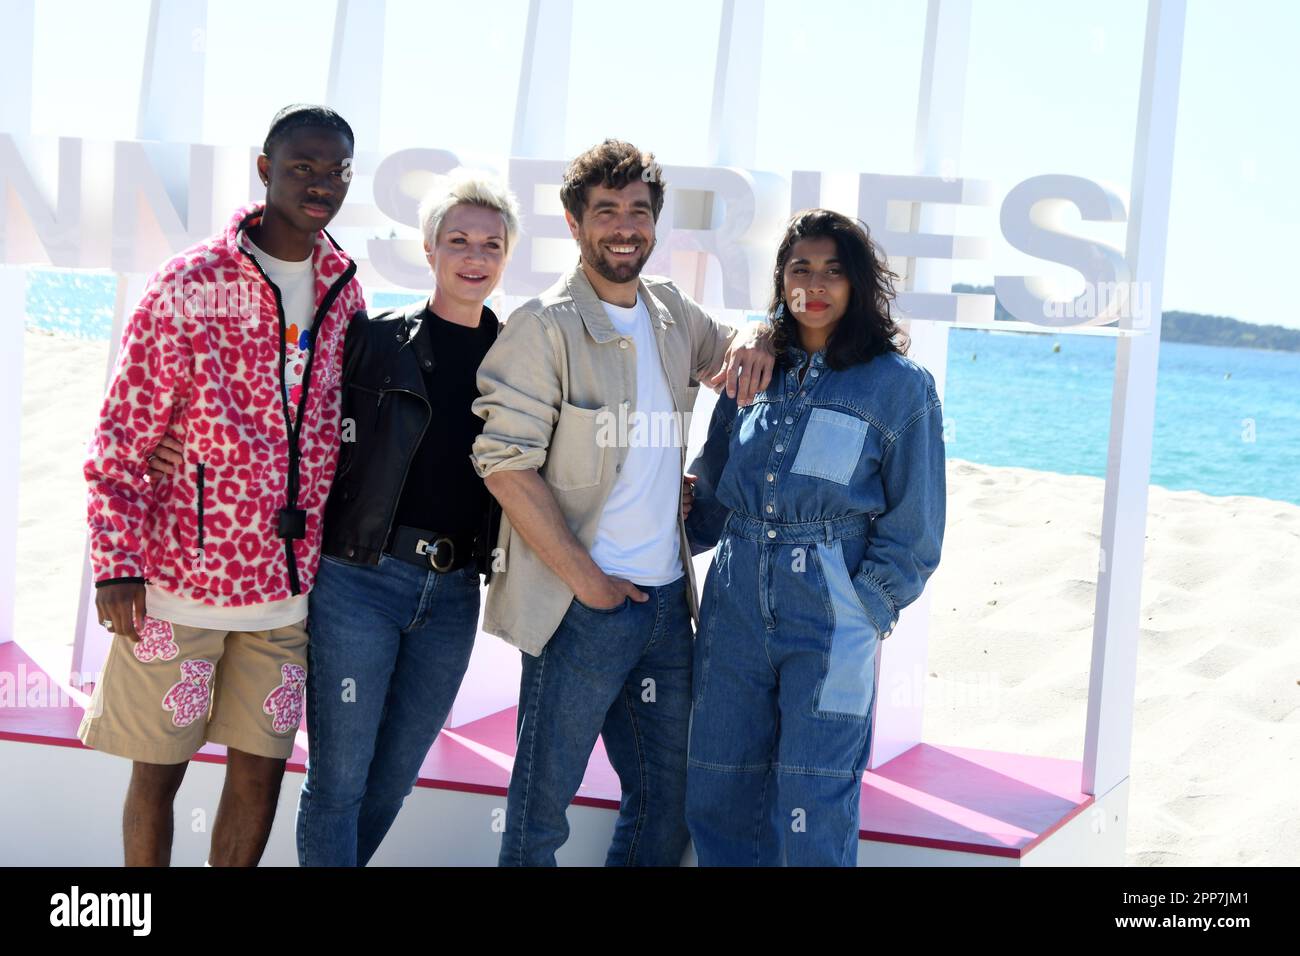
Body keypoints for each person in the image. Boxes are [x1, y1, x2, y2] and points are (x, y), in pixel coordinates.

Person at [471, 139, 775, 866]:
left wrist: (762, 333)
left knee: (668, 807)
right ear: (574, 222)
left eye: (638, 211)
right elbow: (503, 464)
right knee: (540, 816)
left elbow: (732, 347)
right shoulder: (543, 326)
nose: (624, 227)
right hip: (580, 607)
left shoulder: (670, 311)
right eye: (605, 210)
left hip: (668, 608)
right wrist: (590, 586)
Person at [79, 104, 365, 866]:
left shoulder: (344, 289)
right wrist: (117, 563)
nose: (320, 184)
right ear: (265, 169)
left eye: (336, 170)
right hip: (179, 583)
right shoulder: (190, 282)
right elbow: (120, 441)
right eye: (302, 166)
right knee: (159, 773)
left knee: (260, 776)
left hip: (286, 593)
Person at [682, 208, 947, 866]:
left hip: (831, 617)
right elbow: (712, 497)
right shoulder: (749, 371)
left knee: (814, 803)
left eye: (834, 269)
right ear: (782, 278)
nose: (816, 283)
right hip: (733, 610)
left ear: (858, 283)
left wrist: (863, 615)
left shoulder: (899, 387)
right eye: (801, 268)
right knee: (717, 791)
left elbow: (915, 530)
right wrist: (668, 509)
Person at [293, 171, 520, 865]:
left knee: (393, 780)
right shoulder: (374, 341)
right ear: (428, 249)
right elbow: (298, 421)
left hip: (452, 597)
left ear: (506, 257)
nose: (474, 257)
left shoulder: (519, 360)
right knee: (338, 780)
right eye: (458, 240)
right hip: (359, 579)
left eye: (490, 244)